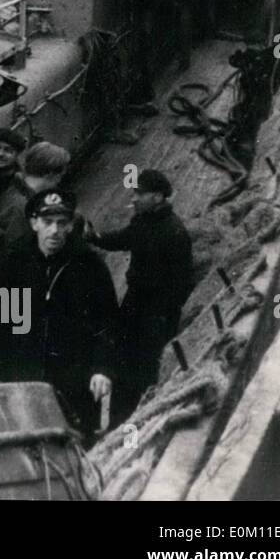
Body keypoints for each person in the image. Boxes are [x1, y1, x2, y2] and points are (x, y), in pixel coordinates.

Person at [1, 189, 118, 443]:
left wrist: (102, 369)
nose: (54, 230)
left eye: (61, 223)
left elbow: (107, 323)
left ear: (70, 226)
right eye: (47, 222)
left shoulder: (89, 264)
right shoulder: (12, 261)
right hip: (24, 376)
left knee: (74, 445)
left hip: (73, 378)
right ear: (34, 223)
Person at [88, 169, 194, 423]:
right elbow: (124, 239)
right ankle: (119, 415)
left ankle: (137, 419)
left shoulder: (174, 232)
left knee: (143, 368)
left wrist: (161, 317)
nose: (133, 199)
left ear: (158, 197)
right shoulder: (144, 221)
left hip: (156, 313)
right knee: (122, 356)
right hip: (136, 302)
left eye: (139, 194)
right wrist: (95, 237)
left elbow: (181, 285)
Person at [0, 141, 71, 245]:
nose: (59, 181)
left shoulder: (19, 193)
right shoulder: (20, 208)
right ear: (50, 174)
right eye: (60, 176)